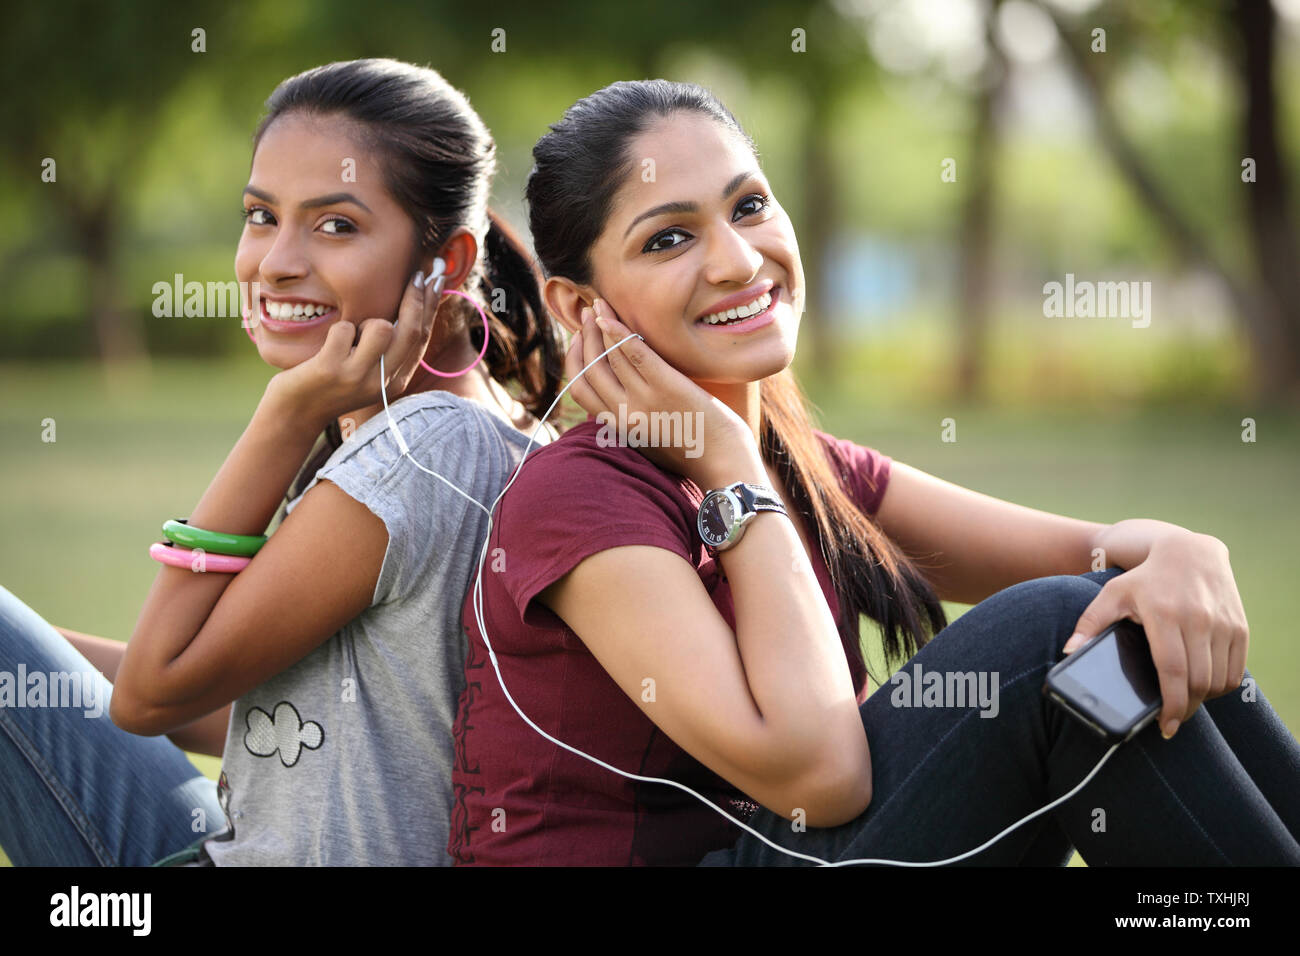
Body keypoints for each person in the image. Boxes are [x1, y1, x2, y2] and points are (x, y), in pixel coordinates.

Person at [447, 78, 1300, 866]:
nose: (738, 262)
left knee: (1132, 637)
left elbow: (1095, 557)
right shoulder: (578, 497)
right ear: (577, 305)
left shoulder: (805, 467)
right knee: (1056, 643)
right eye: (670, 237)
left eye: (749, 207)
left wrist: (1178, 554)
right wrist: (729, 466)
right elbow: (822, 778)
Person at [0, 57, 564, 866]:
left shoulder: (420, 452)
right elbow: (286, 713)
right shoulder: (488, 434)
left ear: (445, 262)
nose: (274, 262)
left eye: (335, 225)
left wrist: (288, 414)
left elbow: (151, 692)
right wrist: (30, 667)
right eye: (262, 215)